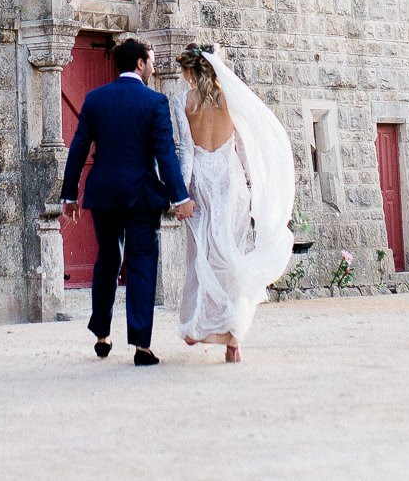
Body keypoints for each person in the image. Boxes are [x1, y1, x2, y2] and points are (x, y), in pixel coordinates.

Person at [60, 37, 194, 366]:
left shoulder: (95, 100)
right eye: (150, 61)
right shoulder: (154, 102)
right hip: (141, 195)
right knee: (141, 263)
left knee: (107, 259)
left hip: (104, 192)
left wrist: (69, 194)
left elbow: (77, 149)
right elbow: (166, 154)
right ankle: (141, 345)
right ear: (139, 64)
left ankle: (102, 334)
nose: (152, 66)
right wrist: (181, 196)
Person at [171, 42, 297, 363]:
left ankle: (199, 324)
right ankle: (234, 338)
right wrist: (253, 186)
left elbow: (186, 151)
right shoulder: (229, 98)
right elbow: (244, 146)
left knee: (202, 253)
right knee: (233, 254)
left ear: (189, 71)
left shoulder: (182, 101)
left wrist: (182, 193)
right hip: (232, 182)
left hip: (203, 182)